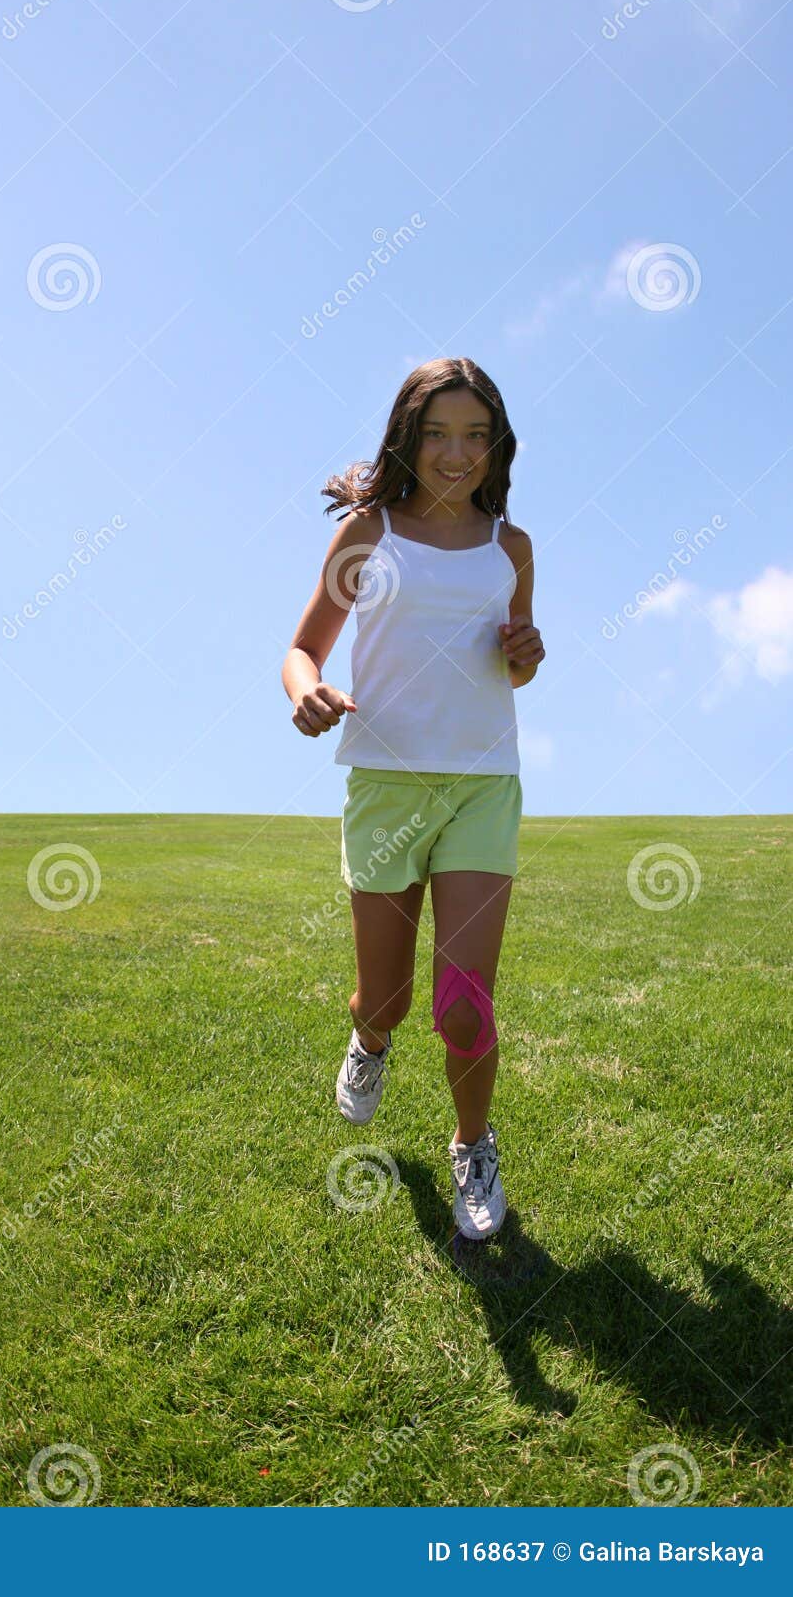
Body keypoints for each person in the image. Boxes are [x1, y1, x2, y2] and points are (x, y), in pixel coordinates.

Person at [280, 358, 546, 1240]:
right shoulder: (369, 531)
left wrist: (526, 652)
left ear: (496, 445)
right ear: (408, 435)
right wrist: (305, 692)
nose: (456, 453)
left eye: (475, 435)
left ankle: (474, 1143)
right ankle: (370, 1040)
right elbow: (302, 649)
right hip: (386, 783)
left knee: (464, 999)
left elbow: (515, 663)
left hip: (482, 783)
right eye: (437, 433)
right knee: (387, 998)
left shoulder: (511, 548)